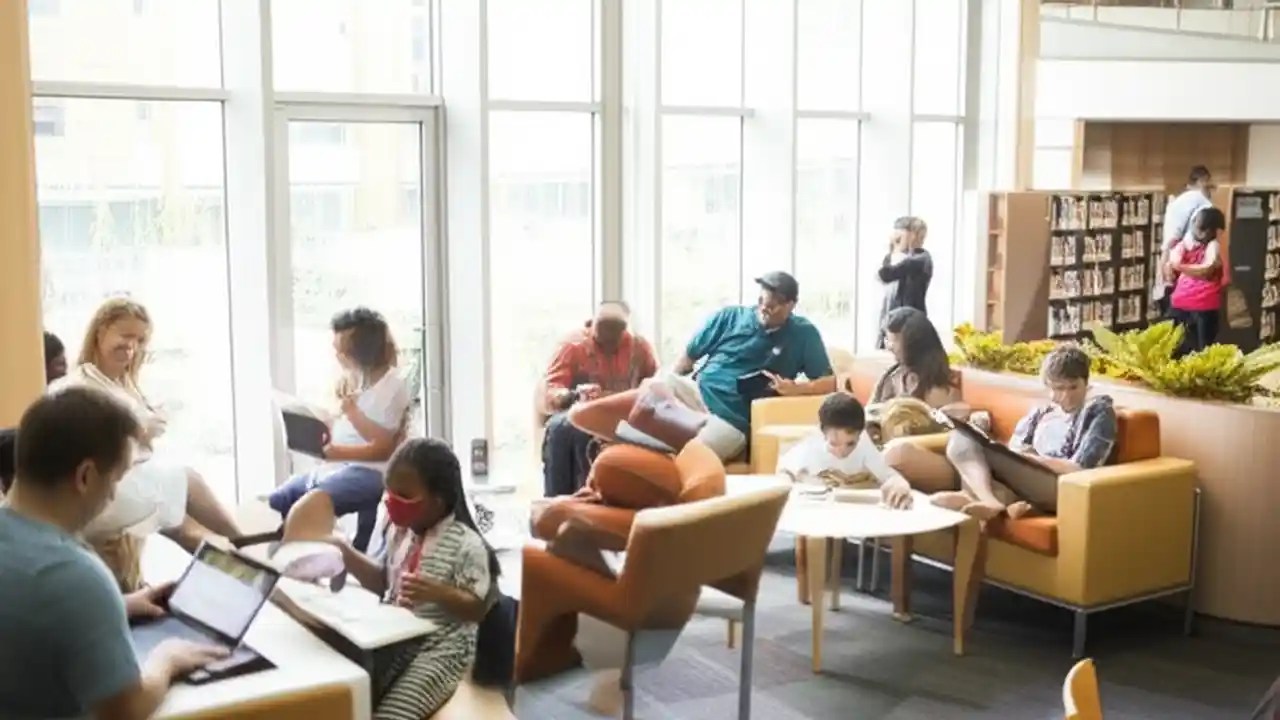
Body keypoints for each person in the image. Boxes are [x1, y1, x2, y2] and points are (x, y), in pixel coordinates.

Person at [0, 387, 228, 720]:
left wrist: (123, 605)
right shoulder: (75, 575)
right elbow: (125, 710)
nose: (112, 496)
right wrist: (167, 659)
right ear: (86, 476)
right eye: (117, 479)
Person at [51, 298, 244, 581]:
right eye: (126, 336)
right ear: (101, 331)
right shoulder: (78, 384)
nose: (133, 346)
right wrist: (136, 430)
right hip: (105, 488)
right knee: (187, 491)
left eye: (140, 340)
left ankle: (243, 561)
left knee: (187, 523)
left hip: (128, 479)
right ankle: (248, 553)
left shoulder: (122, 384)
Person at [570, 271, 835, 462]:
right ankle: (600, 418)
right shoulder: (729, 317)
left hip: (732, 419)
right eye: (762, 303)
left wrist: (795, 389)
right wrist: (666, 388)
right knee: (659, 383)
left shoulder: (803, 334)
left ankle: (637, 443)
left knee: (691, 459)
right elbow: (687, 358)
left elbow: (829, 382)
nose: (764, 310)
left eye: (773, 307)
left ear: (791, 305)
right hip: (696, 394)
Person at [322, 438, 500, 719]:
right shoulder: (399, 532)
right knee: (345, 700)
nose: (391, 502)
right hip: (395, 638)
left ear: (438, 502)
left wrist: (439, 593)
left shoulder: (466, 545)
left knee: (391, 714)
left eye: (403, 496)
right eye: (389, 492)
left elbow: (477, 609)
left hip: (439, 650)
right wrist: (345, 552)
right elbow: (384, 582)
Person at [270, 307, 411, 552]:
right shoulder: (355, 379)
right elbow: (347, 423)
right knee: (278, 500)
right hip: (338, 465)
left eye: (343, 350)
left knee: (310, 503)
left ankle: (310, 561)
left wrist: (346, 429)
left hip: (371, 472)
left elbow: (383, 448)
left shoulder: (393, 387)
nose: (338, 356)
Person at [925, 345, 1117, 520]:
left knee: (974, 443)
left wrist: (1034, 460)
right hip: (1026, 477)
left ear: (1086, 383)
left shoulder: (1098, 411)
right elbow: (1015, 448)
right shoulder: (1042, 412)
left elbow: (1081, 469)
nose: (1067, 396)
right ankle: (984, 498)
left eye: (1074, 387)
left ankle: (981, 498)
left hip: (1061, 484)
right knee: (961, 435)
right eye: (1059, 388)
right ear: (1048, 387)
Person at [541, 301, 658, 497]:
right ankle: (560, 501)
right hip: (578, 413)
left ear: (624, 329)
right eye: (602, 331)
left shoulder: (640, 348)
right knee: (567, 429)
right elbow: (550, 393)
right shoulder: (572, 346)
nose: (608, 341)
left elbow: (654, 386)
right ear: (592, 324)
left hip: (624, 416)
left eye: (615, 333)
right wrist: (574, 395)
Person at [778, 392, 914, 509]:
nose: (842, 451)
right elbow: (785, 471)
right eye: (834, 444)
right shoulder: (812, 444)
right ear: (823, 433)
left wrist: (899, 485)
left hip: (853, 508)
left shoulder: (864, 445)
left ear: (860, 434)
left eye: (850, 444)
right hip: (819, 508)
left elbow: (889, 476)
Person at [1155, 165, 1215, 316]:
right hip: (1193, 266)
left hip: (1176, 263)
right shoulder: (1202, 202)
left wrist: (1163, 265)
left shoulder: (1177, 202)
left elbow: (1170, 237)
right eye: (1208, 184)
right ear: (1202, 181)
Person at [1168, 206, 1227, 357]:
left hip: (1201, 305)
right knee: (1176, 348)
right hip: (1185, 304)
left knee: (1200, 349)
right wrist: (1176, 267)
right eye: (1200, 228)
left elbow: (1206, 269)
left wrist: (1180, 267)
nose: (1203, 233)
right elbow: (1172, 268)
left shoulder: (1213, 246)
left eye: (1209, 230)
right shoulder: (1184, 244)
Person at [871, 307, 959, 407]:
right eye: (887, 339)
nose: (889, 347)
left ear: (913, 344)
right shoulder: (890, 375)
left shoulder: (938, 383)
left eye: (894, 340)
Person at [877, 216, 932, 347]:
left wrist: (896, 249)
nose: (896, 238)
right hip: (889, 322)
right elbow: (881, 275)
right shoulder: (893, 258)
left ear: (914, 235)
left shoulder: (922, 259)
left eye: (901, 234)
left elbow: (887, 274)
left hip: (910, 325)